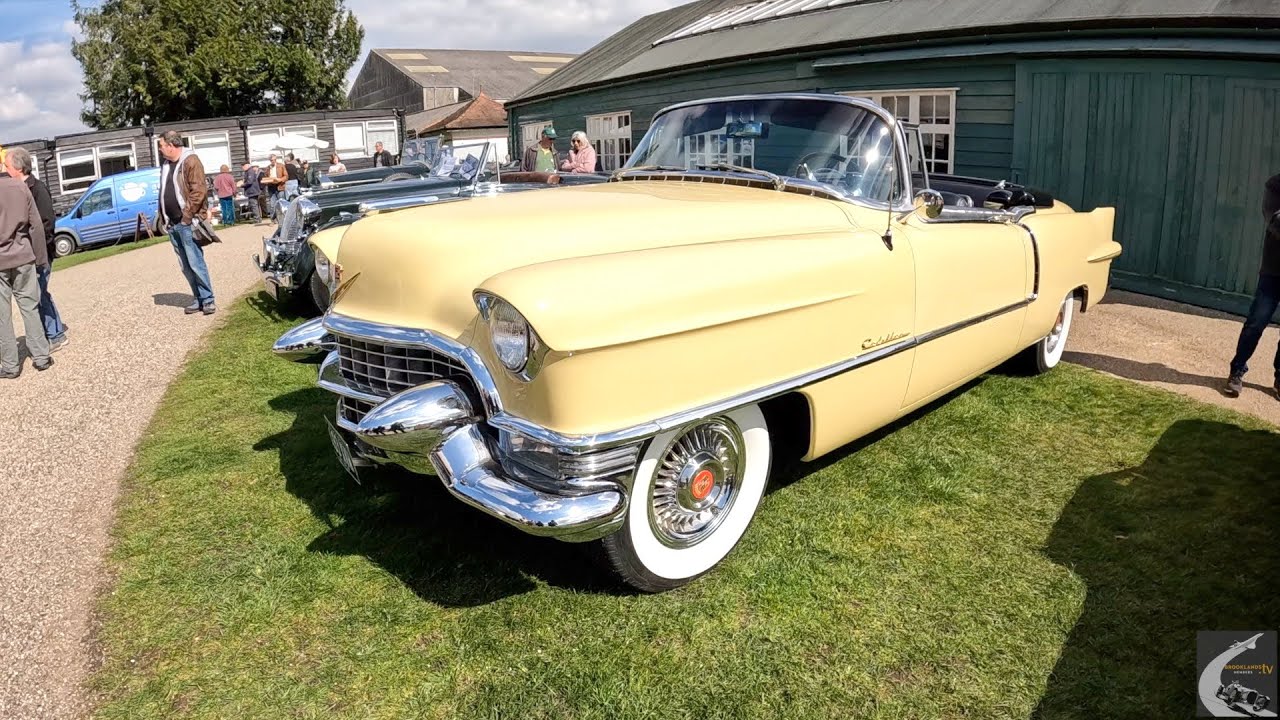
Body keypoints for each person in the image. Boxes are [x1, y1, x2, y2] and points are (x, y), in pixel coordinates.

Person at [4, 147, 67, 352]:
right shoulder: (16, 188)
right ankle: (46, 334)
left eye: (6, 165)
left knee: (40, 293)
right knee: (36, 294)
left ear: (18, 167)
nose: (4, 169)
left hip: (41, 253)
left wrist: (37, 251)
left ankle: (56, 334)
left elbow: (46, 223)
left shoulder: (37, 188)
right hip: (27, 254)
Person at [1224, 172, 1280, 399]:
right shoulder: (1275, 186)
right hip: (1273, 272)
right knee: (1256, 323)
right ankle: (1237, 369)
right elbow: (1275, 219)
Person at [156, 130, 216, 315]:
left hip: (186, 222)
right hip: (172, 223)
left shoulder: (191, 161)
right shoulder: (166, 165)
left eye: (161, 145)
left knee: (195, 261)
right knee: (185, 265)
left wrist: (187, 217)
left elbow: (198, 191)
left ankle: (207, 300)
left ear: (171, 145)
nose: (159, 149)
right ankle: (197, 298)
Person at [0, 171, 52, 377]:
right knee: (30, 306)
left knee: (2, 315)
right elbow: (36, 225)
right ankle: (41, 356)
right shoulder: (20, 186)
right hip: (23, 255)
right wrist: (41, 258)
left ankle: (11, 365)